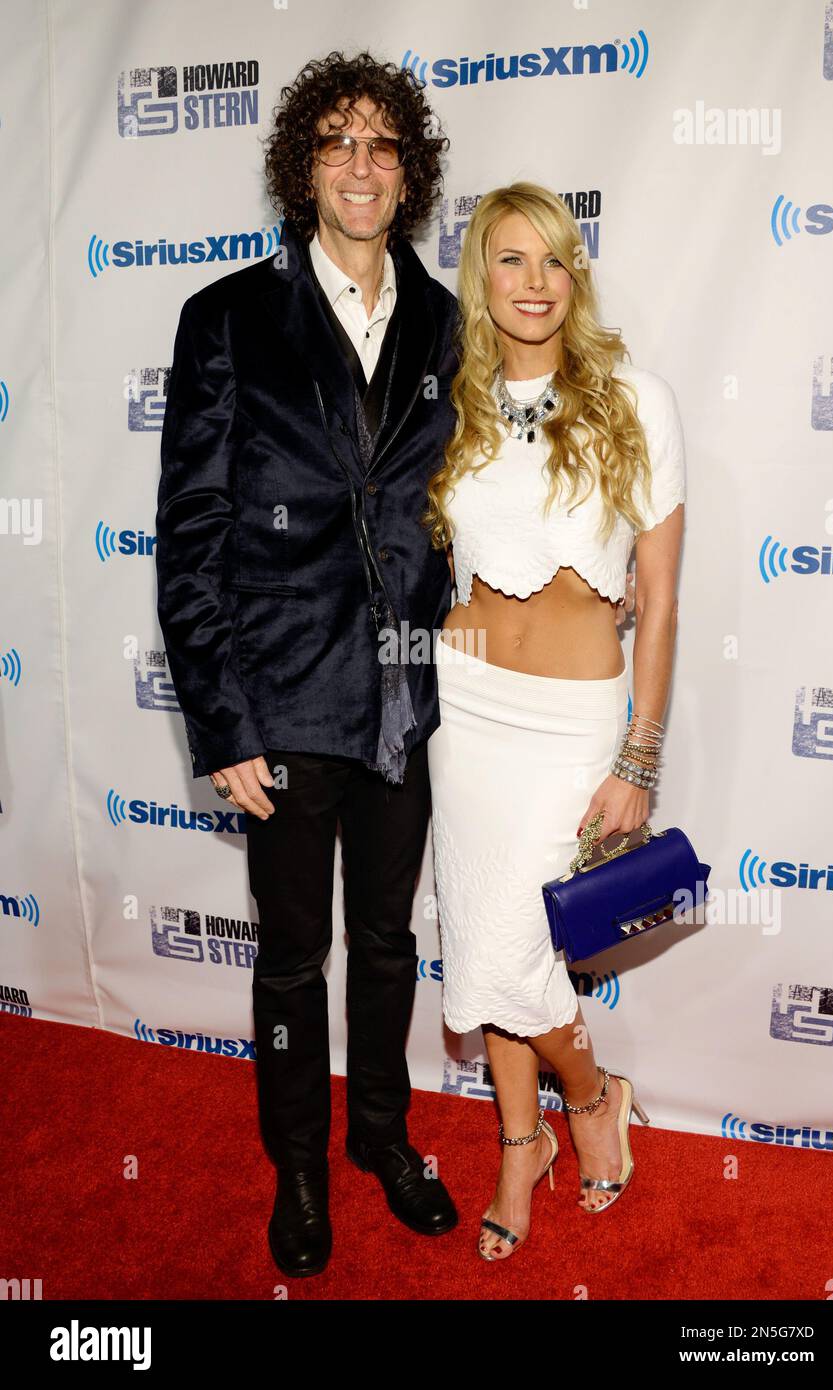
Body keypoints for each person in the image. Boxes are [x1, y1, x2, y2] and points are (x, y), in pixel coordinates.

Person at [154, 51, 467, 1278]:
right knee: (293, 954)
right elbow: (190, 535)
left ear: (408, 174)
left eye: (383, 144)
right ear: (302, 165)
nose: (359, 162)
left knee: (389, 942)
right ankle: (295, 1162)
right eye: (336, 140)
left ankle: (379, 1138)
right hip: (281, 697)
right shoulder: (226, 317)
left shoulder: (447, 321)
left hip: (404, 690)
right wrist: (220, 720)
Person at [423, 182, 686, 1260]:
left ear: (576, 278)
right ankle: (521, 1138)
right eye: (511, 261)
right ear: (479, 275)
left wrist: (640, 755)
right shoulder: (453, 402)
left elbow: (661, 597)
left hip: (575, 715)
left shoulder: (633, 398)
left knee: (522, 952)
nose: (535, 284)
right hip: (464, 704)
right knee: (487, 945)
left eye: (555, 262)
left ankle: (588, 1100)